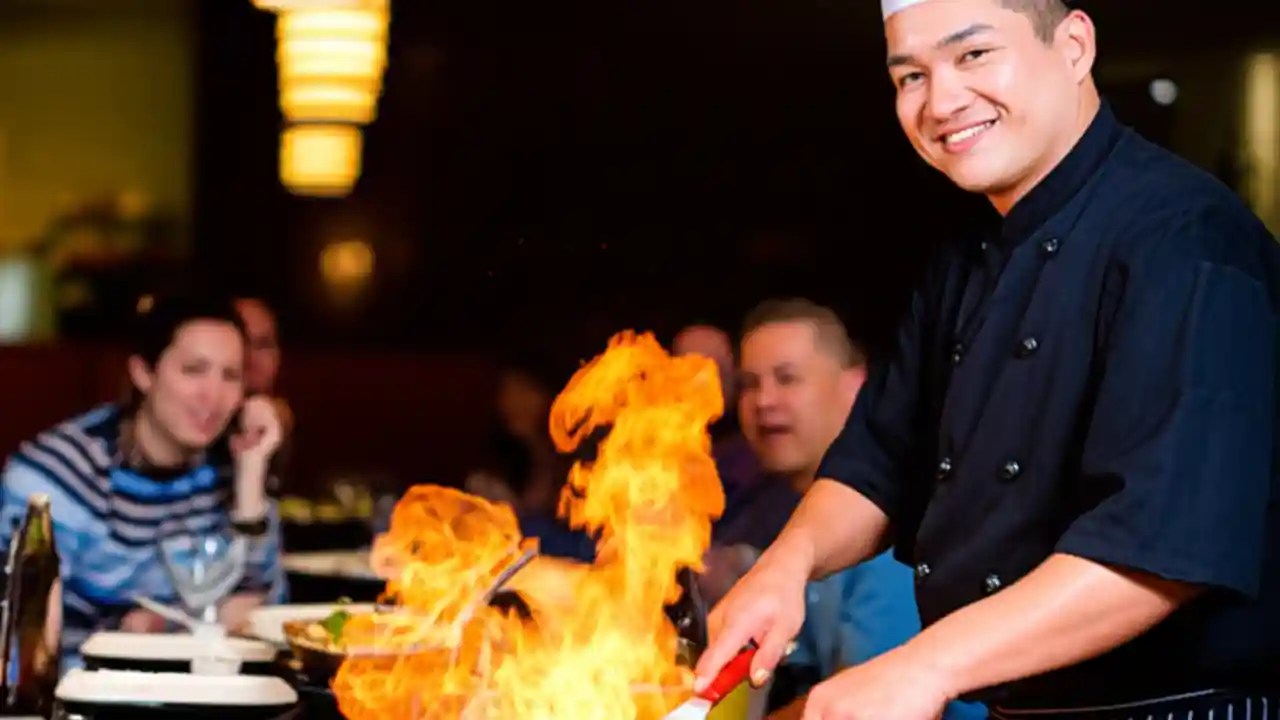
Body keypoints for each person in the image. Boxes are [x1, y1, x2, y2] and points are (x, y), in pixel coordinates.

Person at [694, 1, 1280, 718]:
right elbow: (877, 461)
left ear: (1073, 46)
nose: (940, 102)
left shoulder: (1188, 241)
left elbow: (1161, 545)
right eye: (911, 74)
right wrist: (785, 568)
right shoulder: (961, 257)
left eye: (972, 55)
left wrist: (924, 666)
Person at [0, 293, 287, 672]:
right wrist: (158, 631)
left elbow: (264, 614)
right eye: (193, 370)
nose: (213, 396)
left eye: (230, 375)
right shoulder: (57, 476)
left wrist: (251, 477)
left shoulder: (227, 467)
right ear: (143, 372)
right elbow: (21, 645)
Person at [734, 299, 985, 720]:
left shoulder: (887, 528)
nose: (763, 401)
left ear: (858, 388)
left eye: (787, 379)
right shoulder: (792, 517)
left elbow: (863, 703)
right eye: (748, 383)